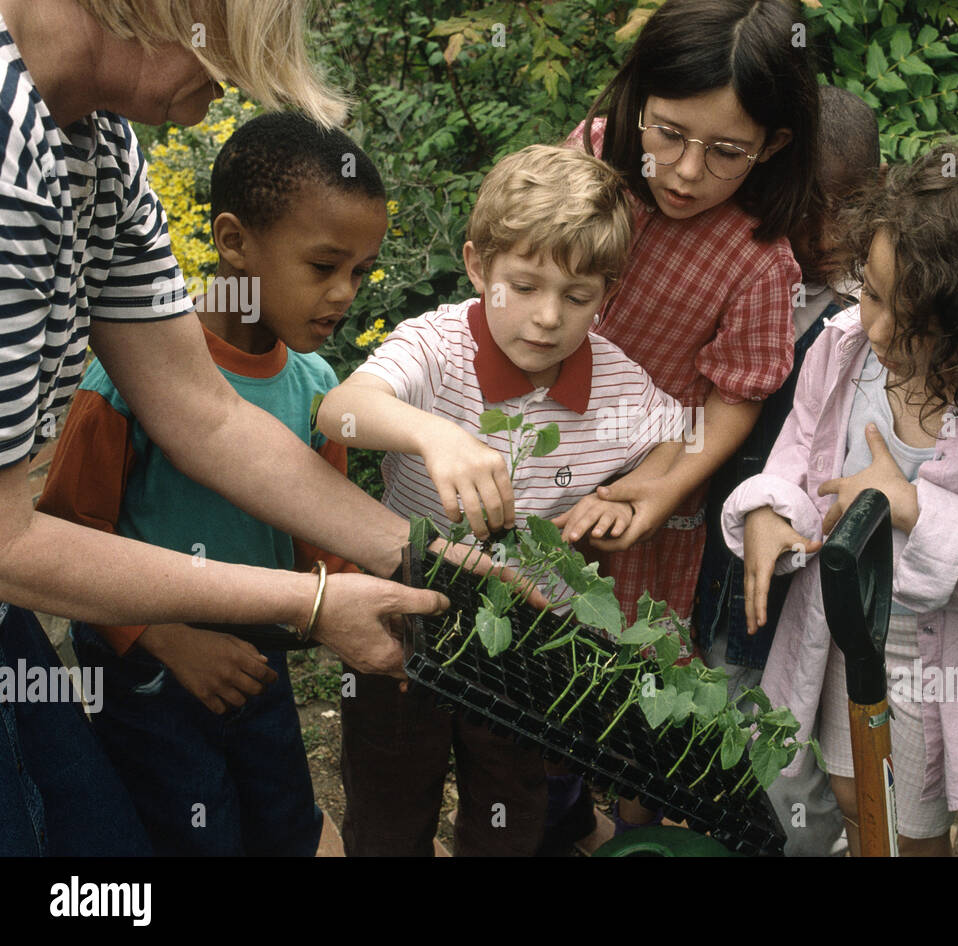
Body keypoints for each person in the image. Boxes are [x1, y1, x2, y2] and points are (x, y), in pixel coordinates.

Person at [0, 0, 463, 857]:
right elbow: (12, 541)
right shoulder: (9, 167)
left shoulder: (96, 145)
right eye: (231, 56)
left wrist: (419, 555)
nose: (230, 87)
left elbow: (202, 410)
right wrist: (315, 603)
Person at [724, 134, 958, 856]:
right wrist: (772, 507)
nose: (881, 330)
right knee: (852, 794)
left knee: (910, 818)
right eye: (872, 292)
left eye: (919, 324)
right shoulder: (843, 350)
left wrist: (911, 505)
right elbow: (801, 453)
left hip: (933, 661)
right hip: (840, 633)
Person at [315, 144, 685, 857]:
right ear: (478, 265)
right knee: (390, 801)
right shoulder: (437, 348)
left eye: (578, 298)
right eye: (525, 285)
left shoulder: (616, 383)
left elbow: (682, 437)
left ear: (607, 294)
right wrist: (432, 434)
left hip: (525, 634)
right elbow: (341, 410)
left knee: (512, 809)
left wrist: (633, 492)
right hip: (404, 621)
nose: (548, 318)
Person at [36, 112, 387, 855]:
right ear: (233, 242)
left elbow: (325, 549)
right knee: (195, 832)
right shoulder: (131, 378)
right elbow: (66, 533)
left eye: (360, 272)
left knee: (285, 820)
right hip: (149, 672)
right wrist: (166, 638)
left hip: (259, 658)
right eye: (323, 267)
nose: (344, 294)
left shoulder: (317, 387)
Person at [556, 0, 818, 833]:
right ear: (636, 102)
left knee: (638, 690)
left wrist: (657, 492)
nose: (684, 171)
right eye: (667, 133)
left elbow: (730, 404)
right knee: (536, 664)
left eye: (725, 151)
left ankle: (639, 832)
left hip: (653, 497)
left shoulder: (758, 260)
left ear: (773, 145)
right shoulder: (592, 160)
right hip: (536, 461)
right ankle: (556, 816)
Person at [693, 84, 879, 856]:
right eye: (813, 207)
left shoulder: (876, 314)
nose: (831, 231)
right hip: (731, 560)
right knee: (742, 711)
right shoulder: (748, 282)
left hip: (818, 573)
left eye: (851, 205)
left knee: (795, 743)